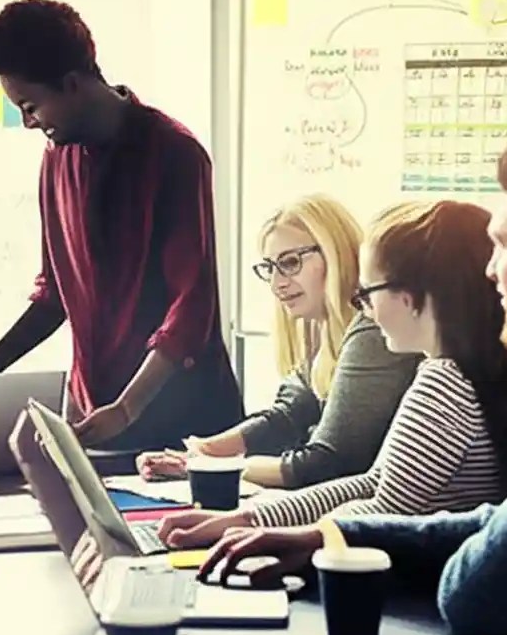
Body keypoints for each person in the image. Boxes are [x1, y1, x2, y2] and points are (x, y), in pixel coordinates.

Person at [194, 123, 507, 635]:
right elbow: (499, 524)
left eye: (503, 244)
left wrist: (331, 538)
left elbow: (476, 591)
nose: (489, 270)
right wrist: (326, 536)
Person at [150, 200, 507, 550]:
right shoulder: (472, 370)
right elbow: (372, 484)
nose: (366, 310)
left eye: (368, 293)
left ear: (410, 297)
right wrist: (246, 521)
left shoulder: (445, 383)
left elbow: (382, 510)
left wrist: (259, 532)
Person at [0, 0, 243, 452]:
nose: (27, 123)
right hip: (96, 419)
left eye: (31, 106)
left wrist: (128, 406)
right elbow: (54, 294)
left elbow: (191, 309)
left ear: (72, 84)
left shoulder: (175, 153)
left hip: (185, 426)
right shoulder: (56, 160)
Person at [136, 195, 419, 487]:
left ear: (335, 252)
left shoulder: (373, 332)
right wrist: (200, 452)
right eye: (270, 268)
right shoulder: (315, 329)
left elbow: (328, 463)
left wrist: (212, 467)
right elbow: (288, 415)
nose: (276, 284)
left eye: (291, 262)